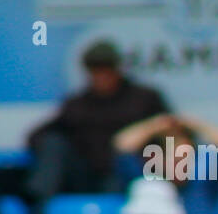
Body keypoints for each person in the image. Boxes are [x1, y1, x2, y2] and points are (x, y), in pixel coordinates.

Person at [26, 40, 170, 201]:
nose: (102, 77)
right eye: (96, 71)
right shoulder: (77, 105)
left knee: (124, 163)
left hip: (128, 174)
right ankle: (36, 202)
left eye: (106, 70)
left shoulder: (143, 99)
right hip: (84, 175)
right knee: (53, 143)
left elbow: (169, 130)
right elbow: (38, 136)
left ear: (117, 69)